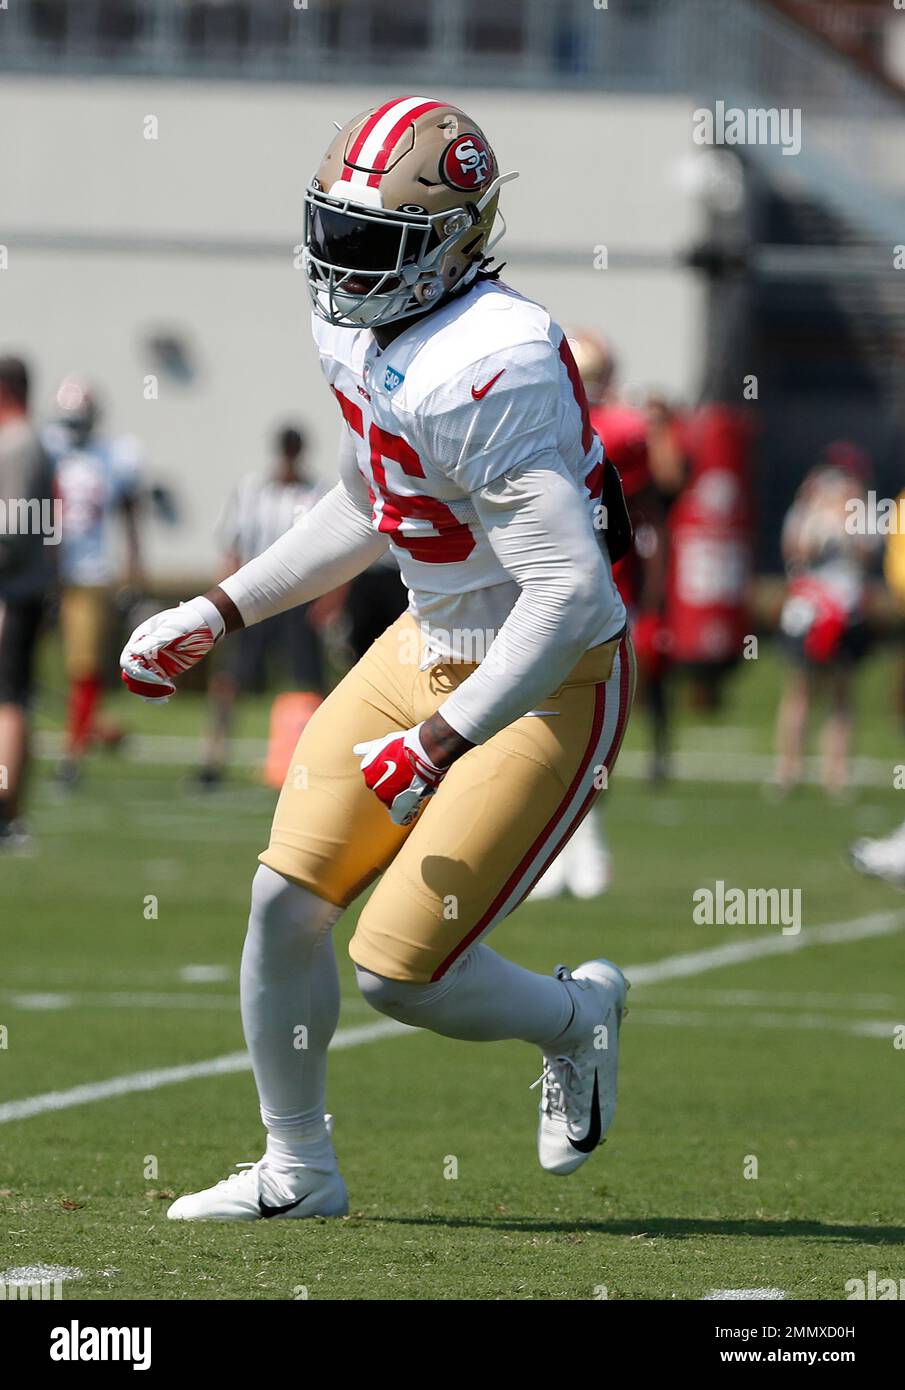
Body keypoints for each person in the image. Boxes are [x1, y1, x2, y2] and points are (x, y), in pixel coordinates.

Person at [120, 96, 635, 1221]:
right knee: (280, 902)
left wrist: (444, 738)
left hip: (545, 680)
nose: (341, 264)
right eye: (332, 231)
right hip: (422, 640)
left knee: (399, 972)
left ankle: (576, 1016)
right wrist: (223, 604)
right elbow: (376, 497)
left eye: (374, 244)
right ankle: (296, 1169)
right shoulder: (363, 329)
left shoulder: (494, 359)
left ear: (454, 238)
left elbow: (568, 591)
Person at [197, 424, 327, 786]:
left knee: (308, 683)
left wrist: (328, 602)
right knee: (229, 679)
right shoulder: (252, 491)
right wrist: (220, 602)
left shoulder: (316, 493)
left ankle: (313, 761)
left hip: (299, 597)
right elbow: (232, 547)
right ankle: (212, 757)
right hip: (252, 594)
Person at [42, 378, 144, 784]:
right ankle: (85, 730)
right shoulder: (46, 450)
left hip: (88, 574)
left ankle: (73, 754)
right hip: (41, 574)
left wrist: (135, 567)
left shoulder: (114, 455)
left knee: (83, 668)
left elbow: (130, 511)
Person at [772, 444, 875, 799]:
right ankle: (788, 769)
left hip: (845, 609)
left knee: (841, 692)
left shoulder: (860, 510)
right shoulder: (806, 509)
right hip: (809, 610)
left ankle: (836, 773)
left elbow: (865, 556)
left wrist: (848, 515)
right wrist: (817, 510)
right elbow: (796, 553)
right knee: (799, 689)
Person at [0, 356, 55, 851]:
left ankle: (5, 808)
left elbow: (12, 531)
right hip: (23, 589)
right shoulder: (29, 443)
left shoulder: (18, 444)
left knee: (9, 699)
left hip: (11, 593)